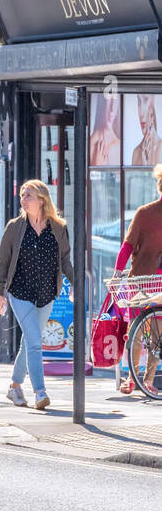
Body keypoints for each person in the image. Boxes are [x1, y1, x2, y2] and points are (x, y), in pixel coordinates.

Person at [0, 180, 74, 410]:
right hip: (20, 292)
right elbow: (2, 262)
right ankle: (40, 391)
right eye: (22, 195)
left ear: (42, 200)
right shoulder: (15, 227)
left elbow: (65, 259)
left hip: (46, 293)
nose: (23, 200)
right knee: (36, 342)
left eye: (28, 195)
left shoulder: (58, 228)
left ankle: (15, 387)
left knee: (29, 342)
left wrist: (75, 283)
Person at [113, 163, 162, 393]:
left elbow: (127, 246)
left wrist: (117, 272)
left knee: (146, 332)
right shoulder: (144, 213)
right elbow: (127, 246)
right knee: (149, 332)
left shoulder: (144, 213)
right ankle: (139, 379)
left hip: (145, 280)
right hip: (147, 281)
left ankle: (140, 380)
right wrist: (117, 272)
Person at [89, 94, 121, 166]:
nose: (112, 109)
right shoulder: (91, 143)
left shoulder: (121, 145)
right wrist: (97, 164)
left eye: (115, 102)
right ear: (102, 104)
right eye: (110, 101)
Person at [132, 94, 162, 166]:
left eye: (145, 100)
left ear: (152, 103)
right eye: (139, 102)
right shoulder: (136, 152)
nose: (141, 113)